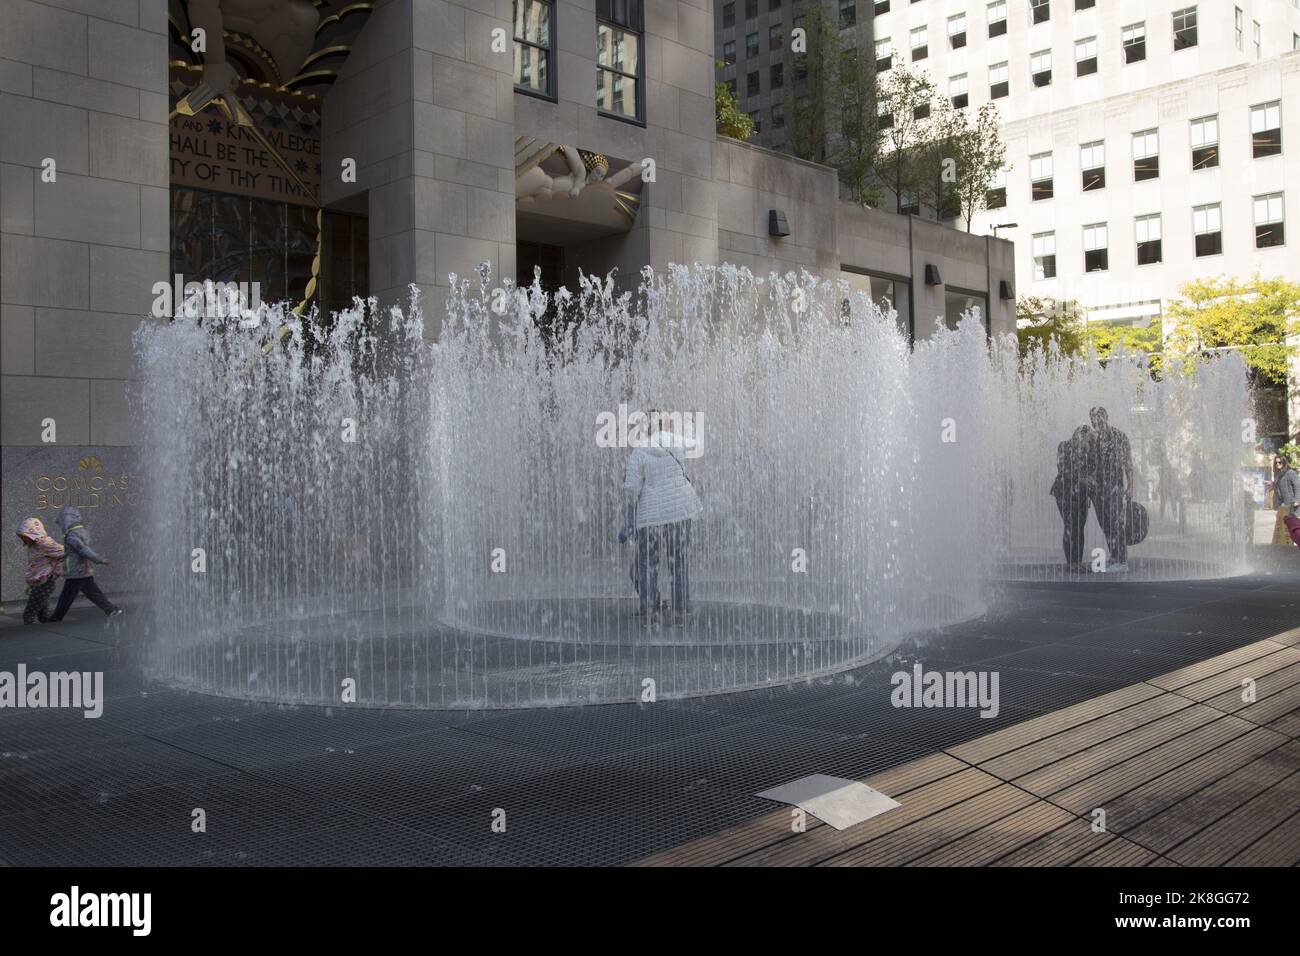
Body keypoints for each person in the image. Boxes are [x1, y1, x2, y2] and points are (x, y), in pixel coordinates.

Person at [618, 409, 703, 627]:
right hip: (679, 512)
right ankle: (680, 613)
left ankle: (649, 612)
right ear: (664, 425)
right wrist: (691, 423)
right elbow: (694, 442)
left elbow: (631, 490)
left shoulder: (640, 451)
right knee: (679, 564)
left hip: (650, 516)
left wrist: (629, 523)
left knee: (647, 564)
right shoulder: (676, 441)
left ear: (646, 427)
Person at [48, 506, 122, 622]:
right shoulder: (81, 532)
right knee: (93, 593)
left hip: (76, 572)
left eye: (62, 520)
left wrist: (99, 559)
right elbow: (77, 551)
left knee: (66, 597)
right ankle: (111, 609)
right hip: (84, 571)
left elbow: (83, 550)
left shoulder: (72, 536)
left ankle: (56, 617)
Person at [1088, 406, 1134, 573]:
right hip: (1098, 489)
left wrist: (1131, 486)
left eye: (1099, 416)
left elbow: (1127, 462)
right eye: (1093, 417)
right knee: (1105, 524)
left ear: (1106, 417)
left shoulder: (1119, 436)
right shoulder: (1093, 439)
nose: (1096, 420)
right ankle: (1114, 557)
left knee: (1116, 522)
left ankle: (1122, 561)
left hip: (1115, 486)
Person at [1050, 425, 1095, 573]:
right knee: (1070, 525)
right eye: (1087, 438)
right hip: (1064, 491)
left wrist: (1089, 484)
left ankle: (1078, 562)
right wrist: (1081, 480)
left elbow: (1092, 470)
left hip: (1081, 493)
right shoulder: (1064, 446)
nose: (1088, 442)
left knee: (1079, 527)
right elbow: (1062, 469)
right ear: (1078, 435)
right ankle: (1071, 562)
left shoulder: (1088, 450)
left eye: (1090, 440)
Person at [16, 517, 64, 625]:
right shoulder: (32, 545)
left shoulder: (45, 543)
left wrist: (55, 567)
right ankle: (49, 635)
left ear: (33, 534)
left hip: (46, 582)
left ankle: (30, 635)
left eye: (25, 536)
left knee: (29, 614)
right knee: (43, 615)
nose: (23, 539)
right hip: (37, 581)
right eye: (22, 537)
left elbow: (64, 551)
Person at [1271, 456, 1300, 546]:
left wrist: (1297, 500)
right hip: (1284, 505)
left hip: (1292, 505)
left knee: (1294, 525)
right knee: (1286, 526)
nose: (1277, 464)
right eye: (1276, 463)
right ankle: (1287, 545)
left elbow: (1298, 486)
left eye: (1280, 462)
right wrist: (1271, 483)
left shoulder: (1290, 473)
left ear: (1284, 462)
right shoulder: (1279, 474)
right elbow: (1278, 486)